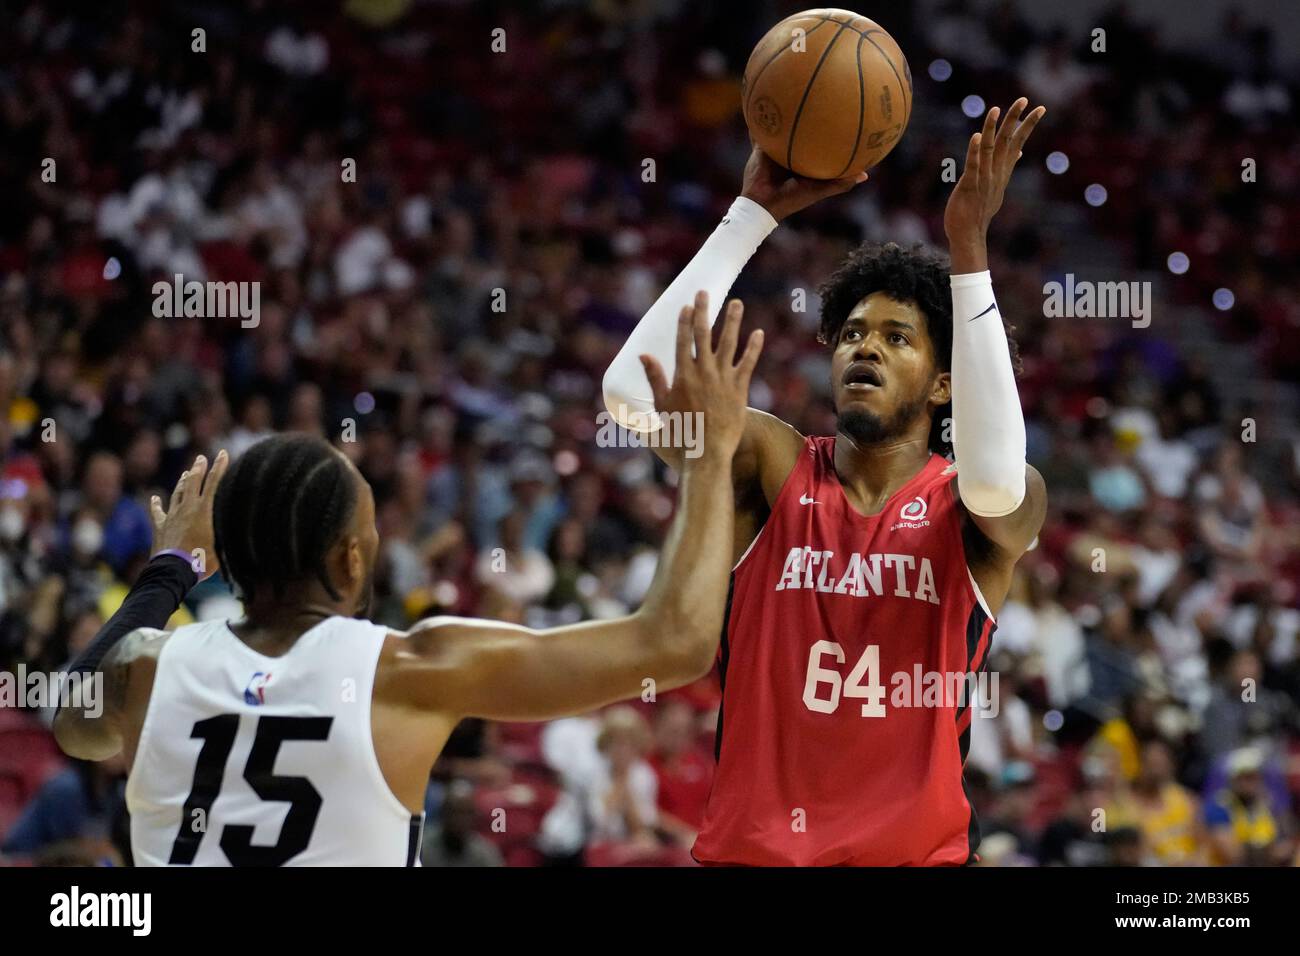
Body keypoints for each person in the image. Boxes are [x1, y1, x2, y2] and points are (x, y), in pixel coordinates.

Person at [51, 299, 764, 866]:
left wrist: (171, 567)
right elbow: (677, 643)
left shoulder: (148, 665)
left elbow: (71, 721)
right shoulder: (417, 669)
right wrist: (710, 459)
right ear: (350, 561)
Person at [603, 99, 1048, 865]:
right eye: (851, 335)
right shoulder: (772, 467)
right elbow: (631, 400)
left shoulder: (974, 505)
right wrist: (746, 218)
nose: (863, 350)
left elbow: (1000, 483)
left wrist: (968, 252)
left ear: (944, 384)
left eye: (895, 337)